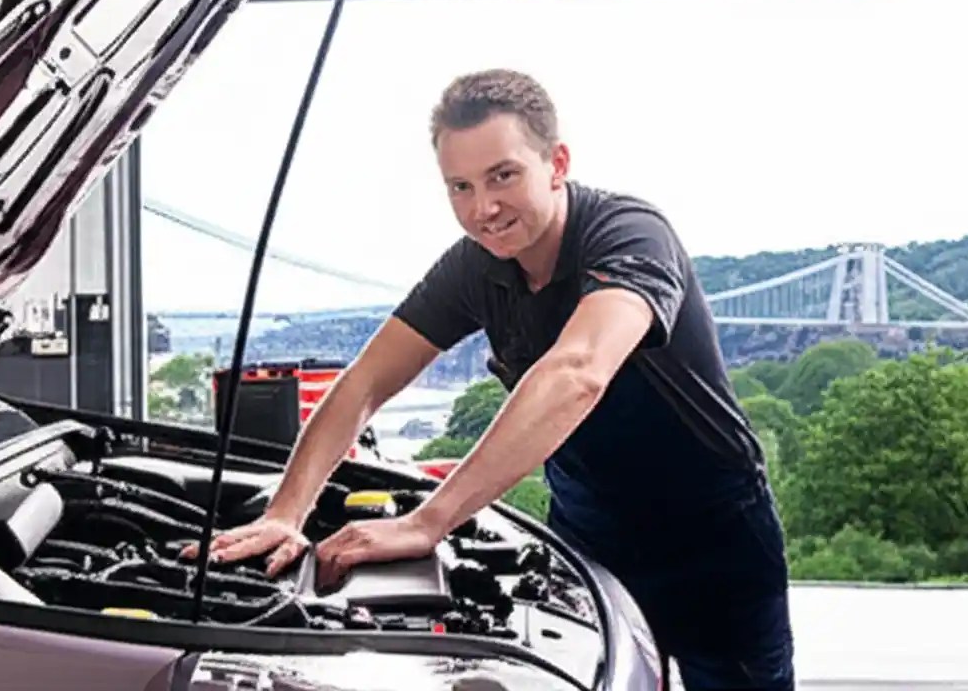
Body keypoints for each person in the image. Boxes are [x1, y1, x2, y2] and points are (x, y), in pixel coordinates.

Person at [185, 69, 795, 690]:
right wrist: (286, 512)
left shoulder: (630, 233)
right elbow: (365, 382)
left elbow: (577, 373)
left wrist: (428, 521)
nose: (484, 209)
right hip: (589, 527)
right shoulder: (474, 267)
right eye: (461, 187)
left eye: (504, 176)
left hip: (711, 535)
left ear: (556, 162)